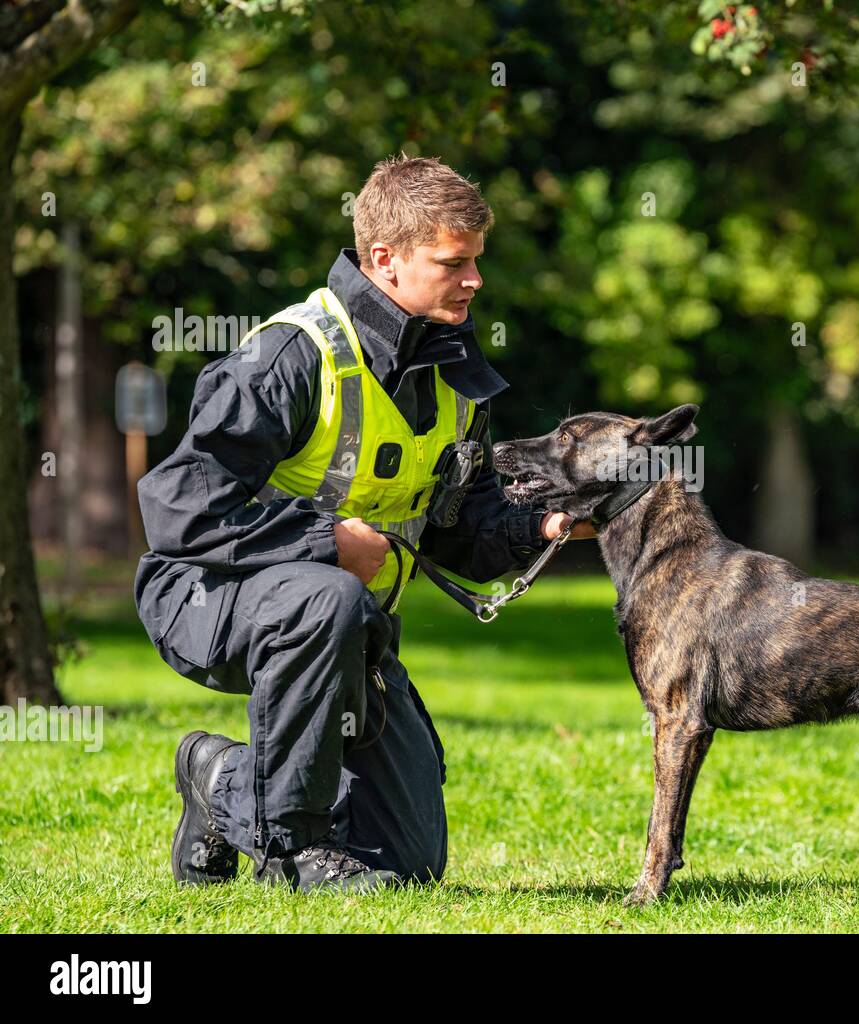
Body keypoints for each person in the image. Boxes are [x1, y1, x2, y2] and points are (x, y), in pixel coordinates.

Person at [135, 154, 593, 892]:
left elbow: (455, 529)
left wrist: (543, 527)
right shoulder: (288, 355)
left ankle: (221, 780)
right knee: (329, 595)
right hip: (204, 597)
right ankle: (291, 852)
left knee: (408, 863)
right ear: (385, 259)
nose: (475, 281)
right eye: (456, 263)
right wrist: (324, 543)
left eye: (477, 261)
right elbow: (178, 506)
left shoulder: (454, 368)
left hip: (342, 625)